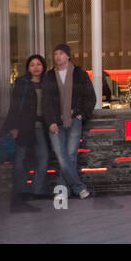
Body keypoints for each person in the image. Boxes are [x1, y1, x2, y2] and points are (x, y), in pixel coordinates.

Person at [41, 43, 96, 199]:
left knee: (70, 156)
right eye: (55, 53)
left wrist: (82, 115)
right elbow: (46, 102)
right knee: (61, 156)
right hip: (55, 122)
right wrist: (50, 121)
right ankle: (79, 188)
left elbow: (90, 96)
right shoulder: (50, 76)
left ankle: (63, 192)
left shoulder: (79, 74)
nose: (57, 56)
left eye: (61, 53)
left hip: (74, 120)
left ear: (68, 56)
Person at [1, 54, 50, 207]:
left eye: (39, 64)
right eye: (32, 65)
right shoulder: (22, 82)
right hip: (23, 126)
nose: (36, 67)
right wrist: (14, 127)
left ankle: (37, 190)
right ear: (28, 68)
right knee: (19, 159)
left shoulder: (47, 83)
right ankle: (22, 191)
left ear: (43, 66)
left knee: (44, 157)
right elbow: (15, 106)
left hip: (41, 126)